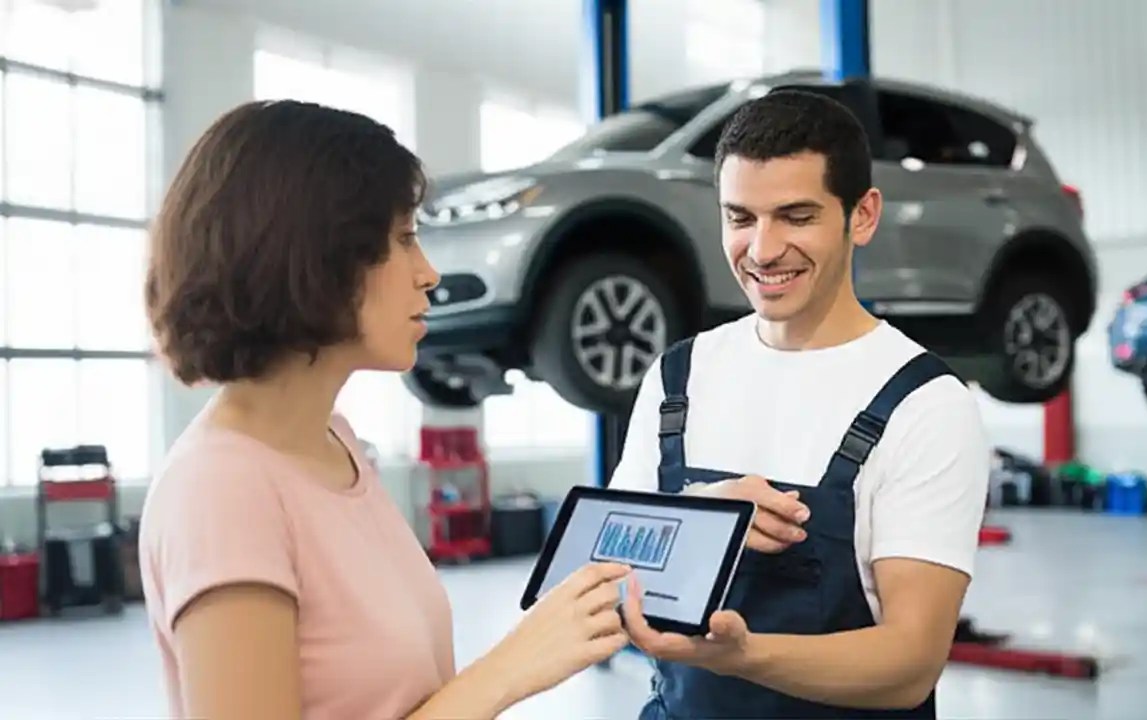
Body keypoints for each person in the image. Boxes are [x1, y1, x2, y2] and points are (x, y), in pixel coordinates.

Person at [138, 100, 632, 720]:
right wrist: (508, 671)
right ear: (316, 254)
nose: (428, 274)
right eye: (403, 240)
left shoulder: (335, 443)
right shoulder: (223, 490)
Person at [608, 89, 990, 718]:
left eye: (796, 216)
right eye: (741, 218)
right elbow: (603, 573)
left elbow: (910, 664)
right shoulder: (679, 375)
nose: (762, 250)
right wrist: (695, 515)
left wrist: (743, 656)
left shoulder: (924, 405)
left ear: (862, 216)